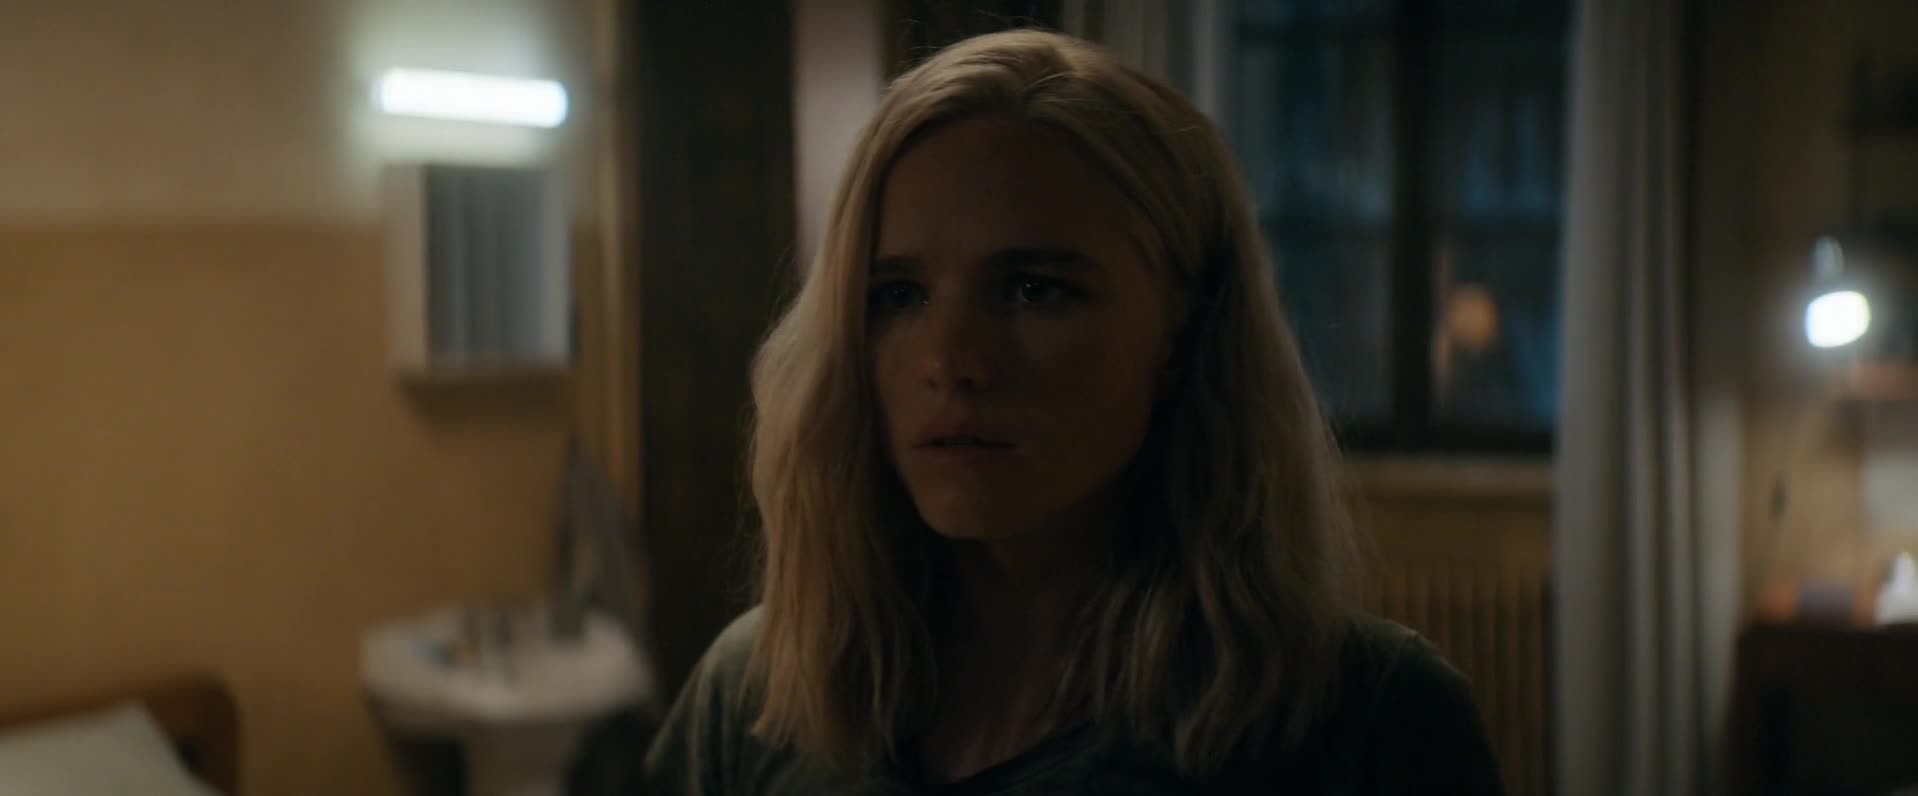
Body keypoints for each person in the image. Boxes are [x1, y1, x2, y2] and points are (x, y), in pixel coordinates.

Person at [643, 28, 1504, 795]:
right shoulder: (757, 698)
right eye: (897, 296)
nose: (952, 362)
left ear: (1184, 331)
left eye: (1033, 290)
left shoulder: (1365, 724)